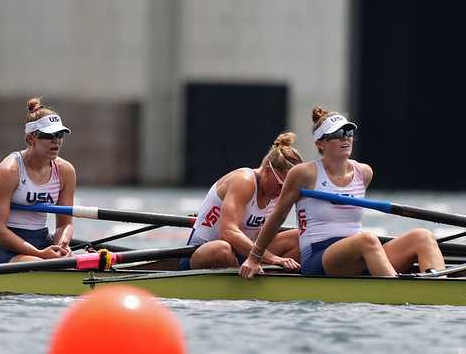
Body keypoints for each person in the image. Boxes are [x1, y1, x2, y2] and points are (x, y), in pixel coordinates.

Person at [240, 107, 445, 279]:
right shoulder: (304, 174)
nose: (345, 138)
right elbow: (277, 217)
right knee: (367, 239)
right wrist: (253, 257)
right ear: (320, 143)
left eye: (348, 133)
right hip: (319, 258)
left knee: (423, 236)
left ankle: (439, 290)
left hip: (359, 254)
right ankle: (397, 293)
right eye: (337, 135)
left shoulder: (364, 172)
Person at [181, 132, 303, 271]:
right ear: (267, 171)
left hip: (242, 254)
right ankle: (250, 277)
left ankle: (269, 278)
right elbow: (228, 233)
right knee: (222, 249)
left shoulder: (276, 192)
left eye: (287, 187)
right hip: (203, 253)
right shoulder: (244, 180)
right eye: (280, 185)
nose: (282, 191)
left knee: (298, 238)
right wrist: (274, 259)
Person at [0, 98, 77, 264]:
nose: (56, 141)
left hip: (41, 241)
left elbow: (64, 225)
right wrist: (39, 254)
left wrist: (61, 245)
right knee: (41, 264)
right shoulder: (8, 171)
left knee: (71, 263)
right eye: (48, 136)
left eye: (59, 135)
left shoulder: (65, 171)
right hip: (4, 246)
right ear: (30, 139)